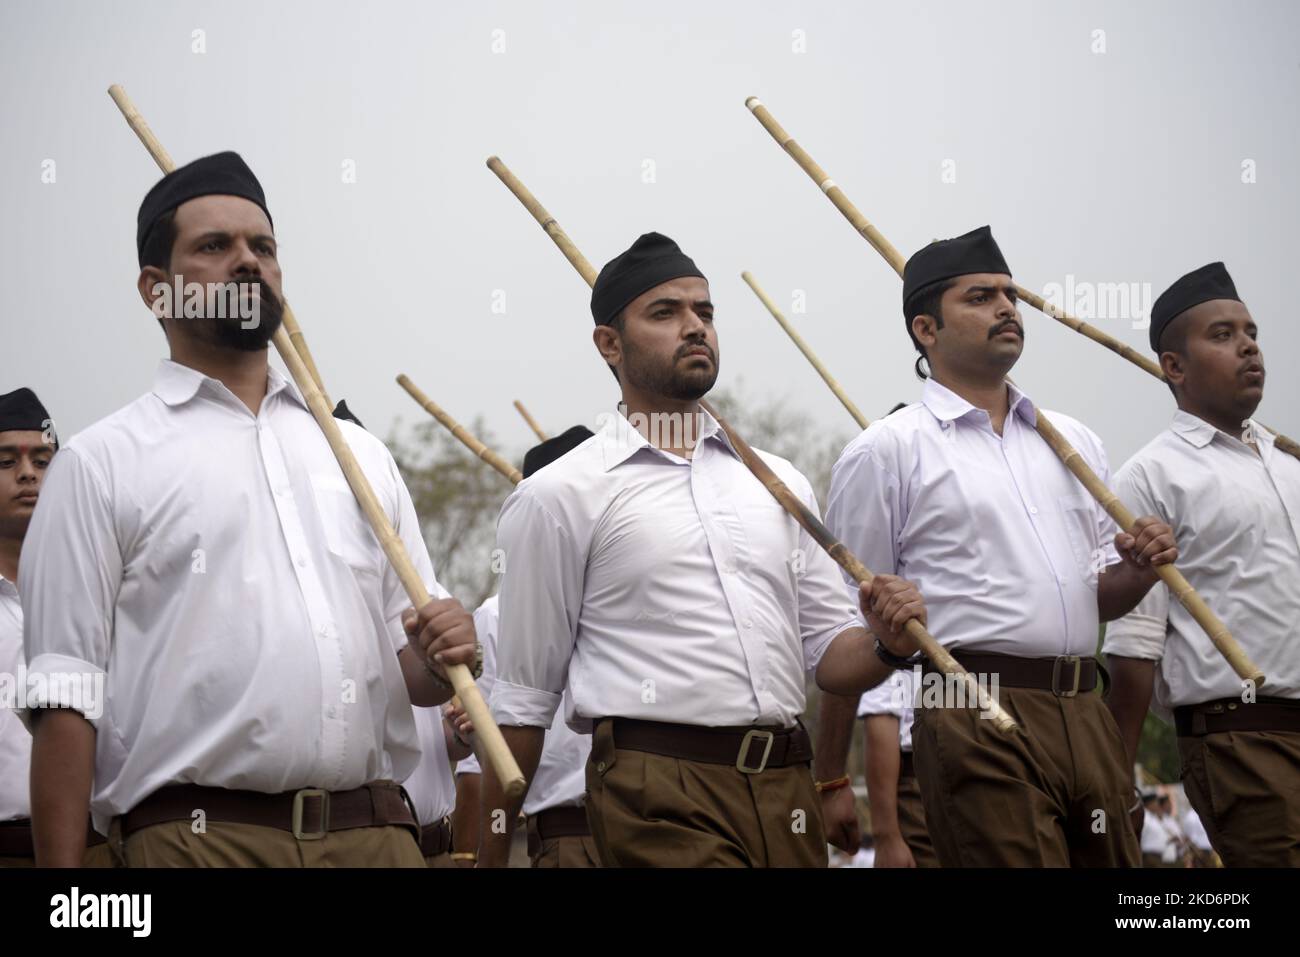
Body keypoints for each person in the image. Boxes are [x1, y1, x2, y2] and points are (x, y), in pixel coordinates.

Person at [21, 152, 478, 867]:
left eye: (262, 247)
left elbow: (416, 678)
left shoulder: (357, 454)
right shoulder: (101, 462)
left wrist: (438, 645)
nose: (247, 262)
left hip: (379, 834)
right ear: (156, 289)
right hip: (196, 842)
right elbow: (65, 699)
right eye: (214, 246)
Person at [482, 232, 925, 867]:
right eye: (665, 313)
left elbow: (830, 654)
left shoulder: (780, 483)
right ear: (610, 343)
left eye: (705, 312)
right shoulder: (560, 495)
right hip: (658, 789)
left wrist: (888, 643)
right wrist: (487, 857)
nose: (695, 327)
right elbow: (523, 703)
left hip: (785, 784)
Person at [826, 226, 1177, 867]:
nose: (1007, 309)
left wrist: (1138, 572)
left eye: (1010, 295)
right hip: (971, 706)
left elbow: (1097, 597)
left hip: (1083, 704)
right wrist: (828, 778)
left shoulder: (1073, 442)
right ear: (926, 330)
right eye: (981, 297)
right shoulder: (888, 450)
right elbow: (845, 626)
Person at [1104, 262, 1300, 866]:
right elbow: (1135, 645)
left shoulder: (1290, 463)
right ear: (1174, 367)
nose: (1248, 347)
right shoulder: (1152, 476)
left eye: (1252, 332)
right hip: (1241, 738)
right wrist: (1118, 785)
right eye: (1221, 335)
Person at [0, 389, 112, 868]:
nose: (28, 473)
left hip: (100, 851)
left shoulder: (106, 595)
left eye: (44, 460)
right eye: (6, 461)